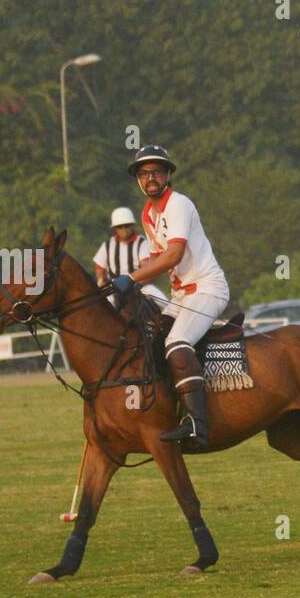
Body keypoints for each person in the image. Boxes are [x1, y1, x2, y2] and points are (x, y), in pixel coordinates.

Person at [110, 145, 230, 446]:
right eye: (144, 173)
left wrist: (132, 278)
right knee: (151, 339)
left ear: (167, 175)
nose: (151, 177)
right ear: (138, 179)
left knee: (177, 342)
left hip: (206, 288)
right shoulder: (148, 214)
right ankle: (166, 411)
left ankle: (197, 425)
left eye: (157, 171)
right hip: (180, 296)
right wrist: (124, 281)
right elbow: (155, 261)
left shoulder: (179, 204)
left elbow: (174, 255)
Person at [93, 207, 168, 312]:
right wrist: (101, 280)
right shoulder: (108, 245)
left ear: (132, 225)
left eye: (127, 226)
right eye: (120, 227)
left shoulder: (142, 243)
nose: (124, 229)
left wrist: (138, 283)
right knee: (99, 308)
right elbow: (100, 267)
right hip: (114, 287)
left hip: (138, 285)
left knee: (164, 304)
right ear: (115, 228)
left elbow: (148, 269)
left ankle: (174, 321)